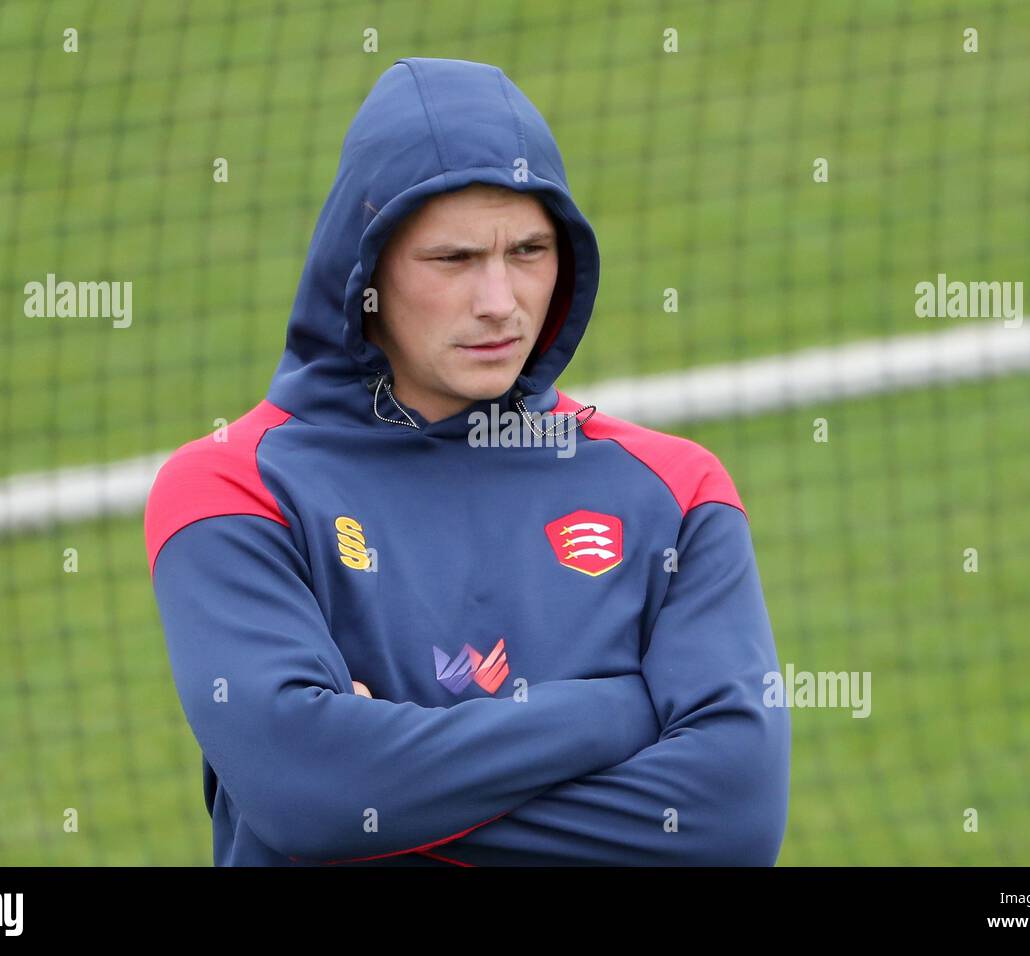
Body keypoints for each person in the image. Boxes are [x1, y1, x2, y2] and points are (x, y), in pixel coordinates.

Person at [144, 56, 790, 866]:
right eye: (452, 261)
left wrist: (391, 780)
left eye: (527, 251)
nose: (499, 302)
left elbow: (730, 826)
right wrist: (619, 715)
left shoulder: (678, 494)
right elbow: (313, 793)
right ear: (365, 269)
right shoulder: (233, 488)